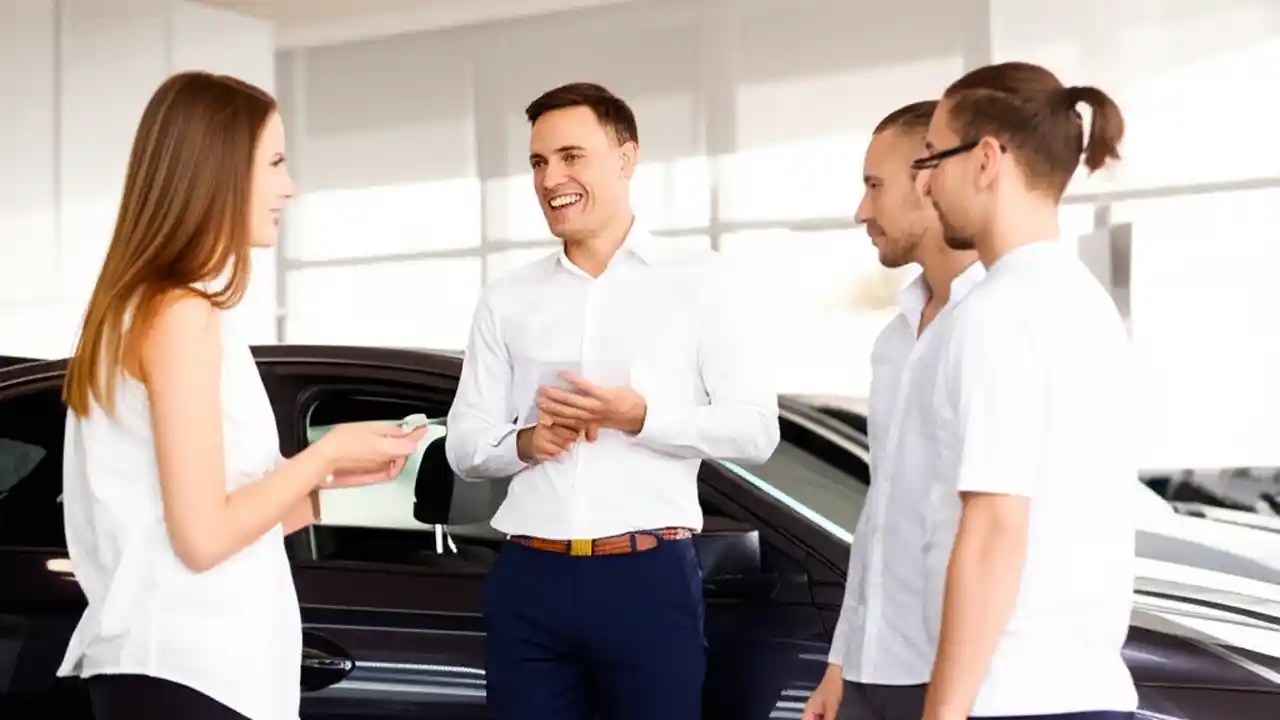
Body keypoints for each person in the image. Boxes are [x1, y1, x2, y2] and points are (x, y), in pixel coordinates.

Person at [56, 71, 427, 720]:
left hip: (179, 669)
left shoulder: (148, 309)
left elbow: (208, 529)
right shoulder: (179, 314)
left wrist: (325, 483)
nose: (290, 186)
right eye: (276, 162)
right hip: (189, 669)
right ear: (217, 170)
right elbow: (203, 539)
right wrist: (322, 454)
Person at [445, 81, 780, 720]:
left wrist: (639, 417)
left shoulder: (702, 280)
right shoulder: (507, 298)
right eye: (539, 162)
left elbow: (756, 430)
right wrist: (526, 443)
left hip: (646, 578)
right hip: (529, 577)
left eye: (571, 157)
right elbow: (464, 444)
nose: (551, 179)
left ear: (626, 158)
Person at [914, 61, 1137, 719]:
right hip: (1086, 691)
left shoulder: (995, 312)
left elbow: (995, 528)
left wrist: (943, 712)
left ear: (985, 160)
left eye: (933, 157)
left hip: (1011, 697)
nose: (925, 183)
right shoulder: (1085, 301)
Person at [801, 101, 983, 720]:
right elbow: (881, 514)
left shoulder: (995, 324)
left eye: (874, 186)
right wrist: (841, 662)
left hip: (961, 679)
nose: (861, 210)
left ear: (931, 181)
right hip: (877, 670)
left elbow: (1000, 525)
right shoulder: (895, 340)